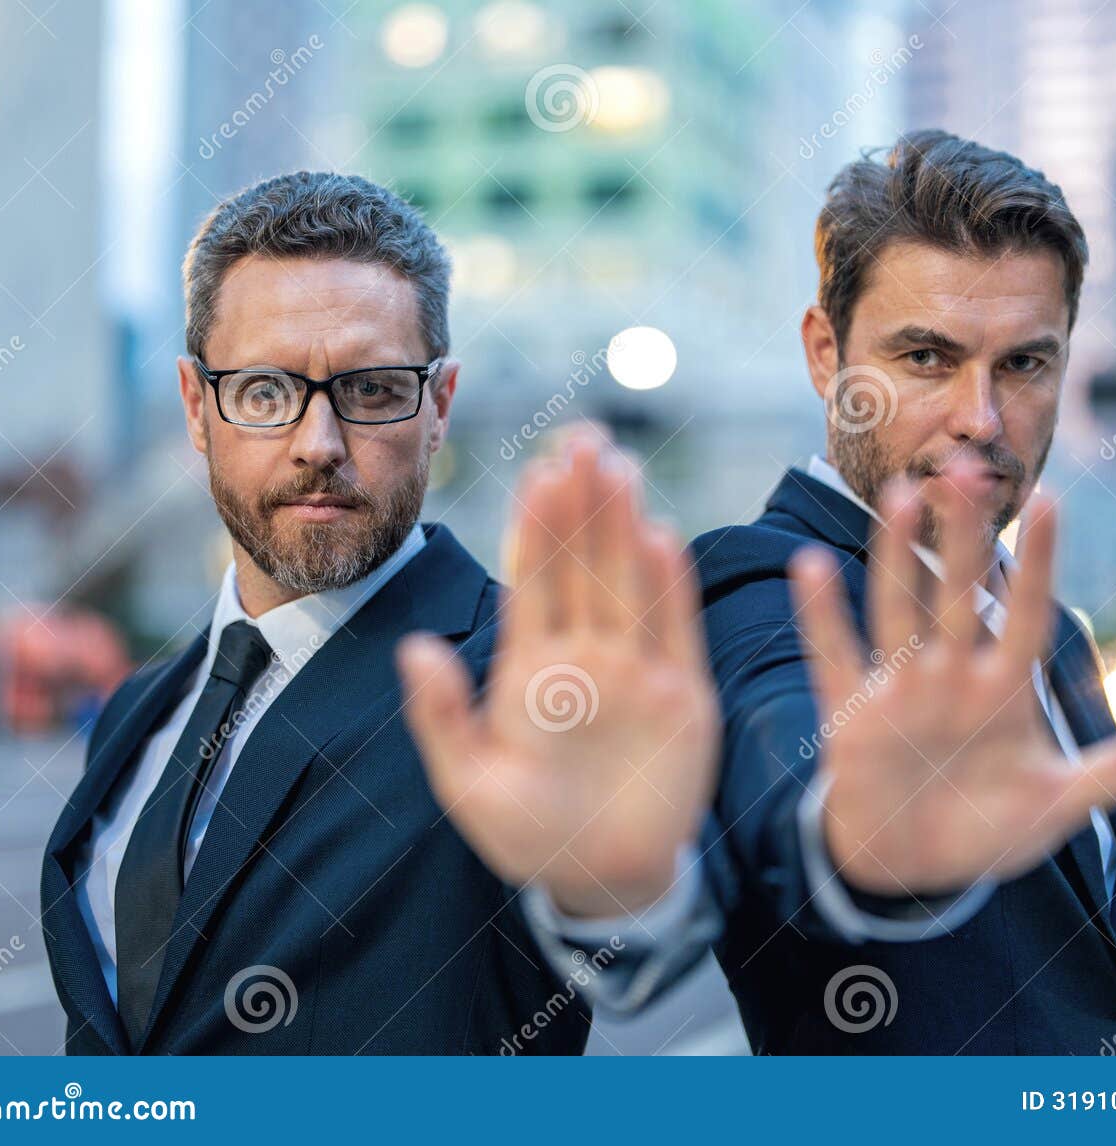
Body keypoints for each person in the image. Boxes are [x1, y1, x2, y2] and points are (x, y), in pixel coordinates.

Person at [674, 131, 1116, 1054]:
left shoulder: (1052, 635)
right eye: (926, 357)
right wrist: (858, 833)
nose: (981, 418)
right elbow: (784, 775)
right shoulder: (758, 587)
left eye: (1024, 364)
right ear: (827, 355)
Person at [39, 172, 713, 1054]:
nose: (318, 445)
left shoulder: (524, 683)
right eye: (265, 390)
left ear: (439, 407)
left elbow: (638, 968)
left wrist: (620, 897)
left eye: (371, 390)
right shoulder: (140, 708)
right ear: (197, 408)